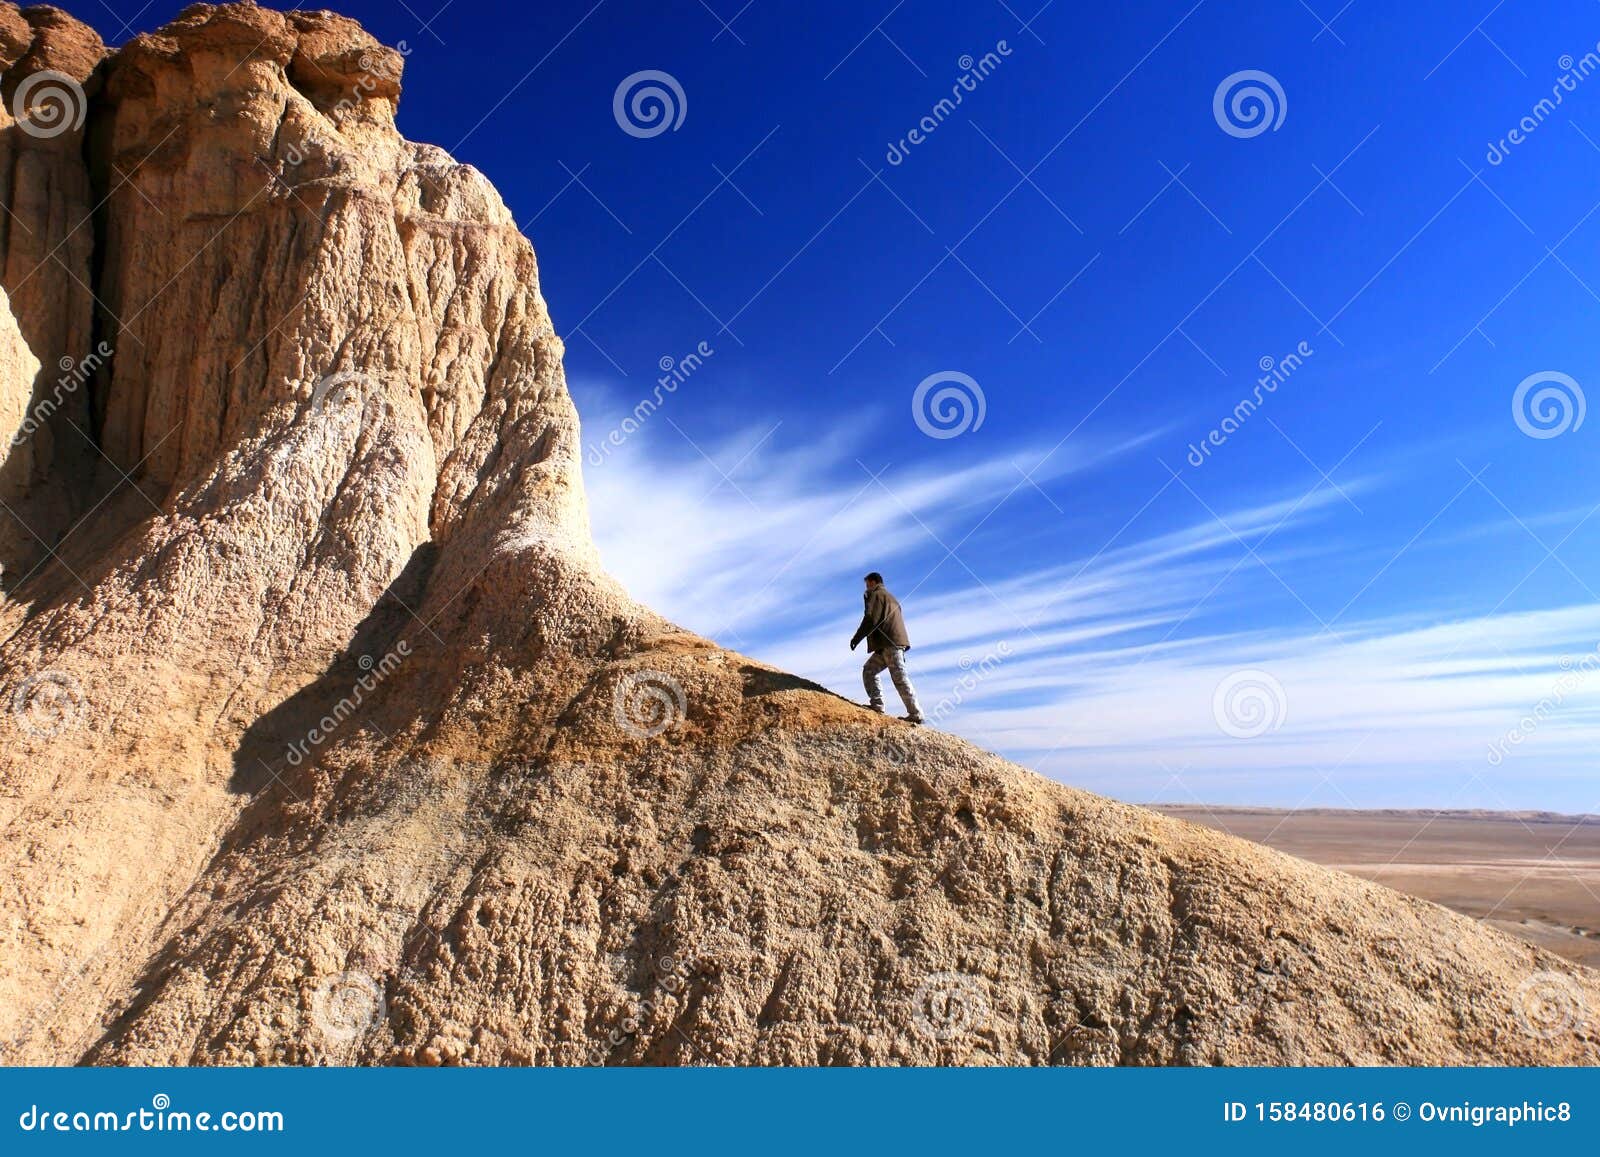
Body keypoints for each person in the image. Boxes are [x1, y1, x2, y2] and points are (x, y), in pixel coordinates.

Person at [850, 572, 923, 724]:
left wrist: (856, 638)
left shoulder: (877, 595)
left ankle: (916, 713)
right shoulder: (891, 598)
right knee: (869, 670)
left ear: (873, 582)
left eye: (867, 584)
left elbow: (870, 619)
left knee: (899, 678)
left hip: (891, 644)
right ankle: (877, 705)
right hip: (887, 645)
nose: (866, 588)